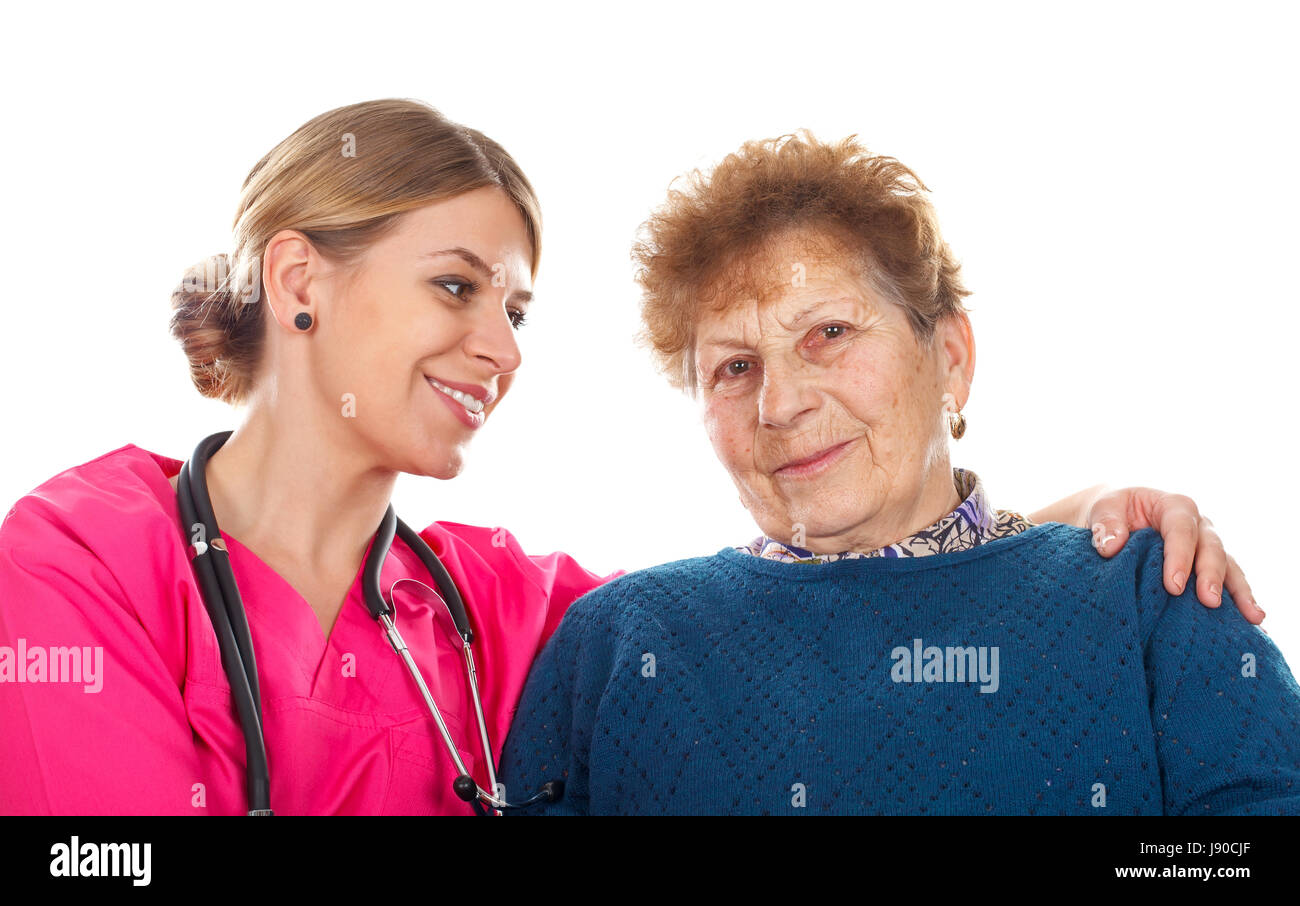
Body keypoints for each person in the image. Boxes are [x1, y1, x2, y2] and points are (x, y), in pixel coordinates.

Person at [0, 102, 1261, 816]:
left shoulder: (512, 608)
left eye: (520, 310)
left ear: (952, 355)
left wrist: (1079, 539)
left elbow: (846, 606)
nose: (498, 348)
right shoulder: (77, 561)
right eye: (456, 287)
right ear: (296, 283)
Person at [498, 131, 1300, 815]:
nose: (781, 403)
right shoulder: (616, 642)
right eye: (736, 367)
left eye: (830, 333)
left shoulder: (1151, 594)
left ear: (949, 357)